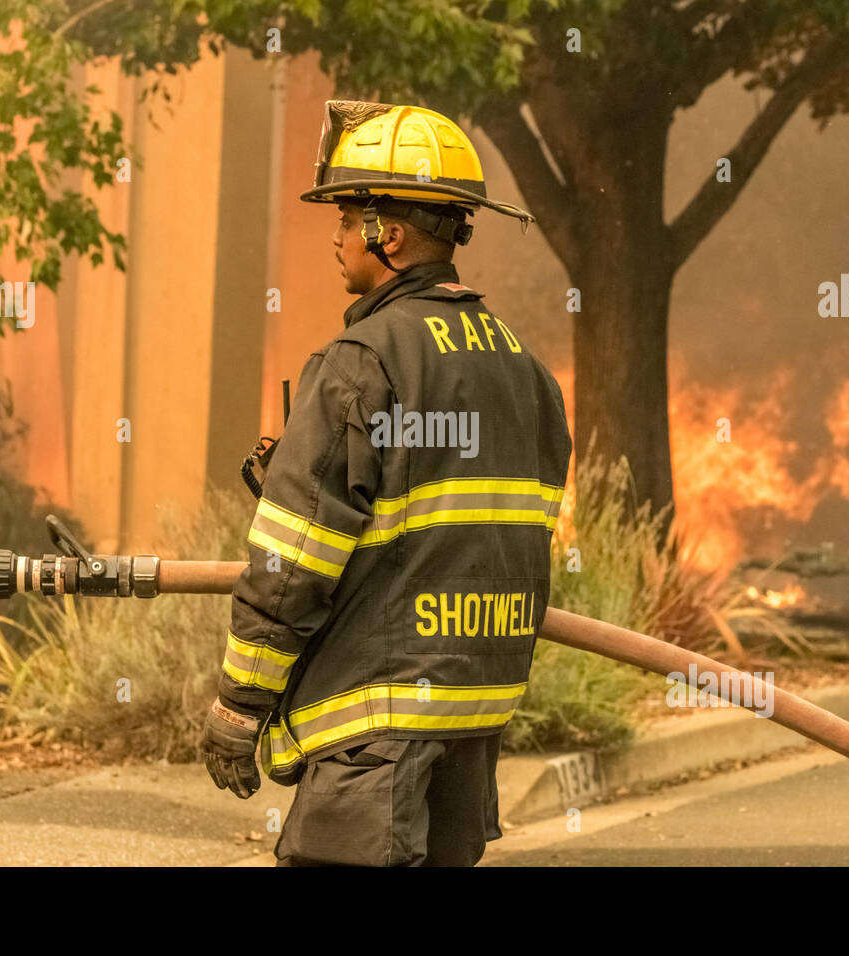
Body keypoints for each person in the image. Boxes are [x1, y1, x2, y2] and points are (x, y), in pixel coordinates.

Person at [201, 100, 572, 866]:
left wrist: (240, 704)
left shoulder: (363, 361)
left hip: (378, 722)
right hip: (472, 715)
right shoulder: (525, 368)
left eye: (345, 219)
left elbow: (294, 560)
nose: (336, 239)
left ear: (387, 234)